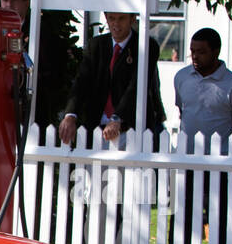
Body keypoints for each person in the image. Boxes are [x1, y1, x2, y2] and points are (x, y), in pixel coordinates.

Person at [172, 28, 232, 244]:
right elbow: (181, 110)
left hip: (220, 163)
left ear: (216, 51)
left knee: (219, 217)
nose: (195, 56)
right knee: (184, 215)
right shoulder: (182, 77)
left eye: (202, 52)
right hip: (187, 160)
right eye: (193, 52)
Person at [59, 11, 165, 147]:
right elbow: (81, 82)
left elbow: (136, 86)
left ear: (132, 19)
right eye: (111, 18)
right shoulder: (96, 45)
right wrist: (70, 115)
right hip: (97, 129)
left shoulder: (146, 46)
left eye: (121, 19)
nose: (116, 24)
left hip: (130, 131)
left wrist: (117, 118)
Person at [0, 0, 71, 129]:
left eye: (14, 0)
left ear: (26, 2)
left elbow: (52, 73)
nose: (8, 5)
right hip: (0, 103)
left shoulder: (39, 31)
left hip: (31, 107)